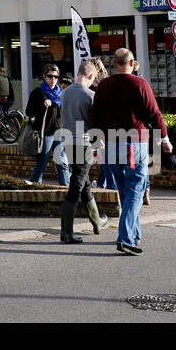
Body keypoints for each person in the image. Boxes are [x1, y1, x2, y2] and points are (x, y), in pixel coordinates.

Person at [92, 47, 171, 256]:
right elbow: (155, 114)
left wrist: (94, 142)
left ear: (114, 62)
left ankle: (134, 235)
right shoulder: (140, 84)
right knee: (135, 190)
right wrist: (164, 138)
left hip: (109, 144)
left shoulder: (103, 86)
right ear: (132, 62)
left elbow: (95, 116)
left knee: (125, 191)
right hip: (133, 143)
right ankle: (126, 238)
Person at [58, 58, 110, 242]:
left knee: (84, 182)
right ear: (90, 76)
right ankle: (66, 232)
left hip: (67, 142)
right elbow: (93, 123)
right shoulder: (90, 96)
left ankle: (97, 221)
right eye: (93, 78)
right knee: (76, 185)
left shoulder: (64, 93)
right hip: (84, 143)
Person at [27, 64, 68, 186]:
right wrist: (42, 105)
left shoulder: (60, 94)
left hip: (59, 132)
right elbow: (28, 112)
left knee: (62, 163)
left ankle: (67, 190)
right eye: (50, 76)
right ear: (44, 77)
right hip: (45, 133)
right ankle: (33, 186)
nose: (53, 79)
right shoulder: (38, 93)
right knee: (42, 163)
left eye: (56, 76)